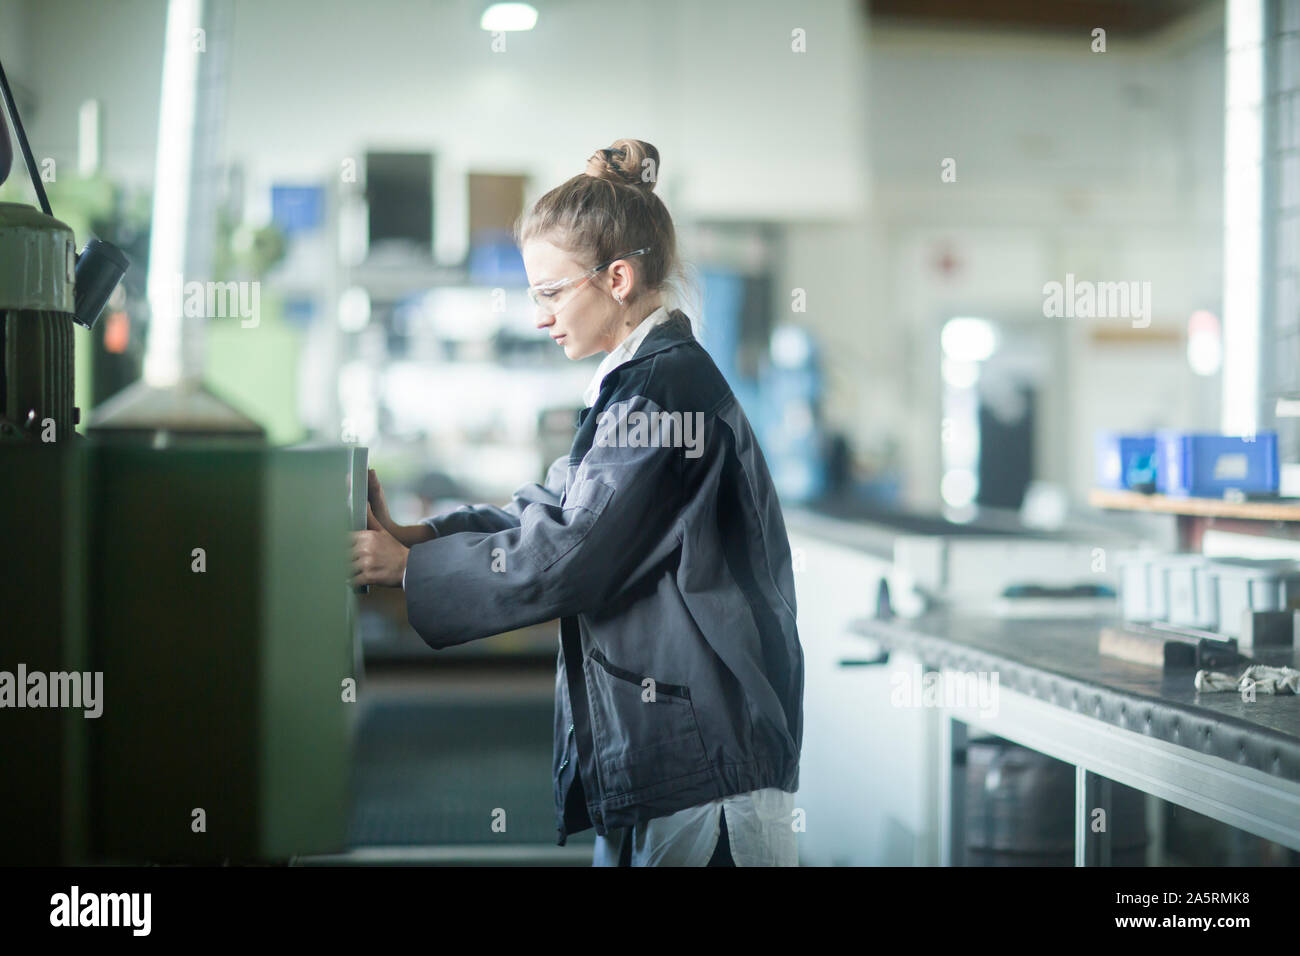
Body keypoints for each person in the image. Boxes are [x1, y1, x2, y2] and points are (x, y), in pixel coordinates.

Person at [352, 139, 803, 866]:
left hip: (708, 763)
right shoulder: (638, 387)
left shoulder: (662, 397)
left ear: (617, 278)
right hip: (672, 749)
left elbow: (570, 551)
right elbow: (553, 509)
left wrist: (412, 571)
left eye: (552, 292)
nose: (540, 316)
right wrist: (420, 539)